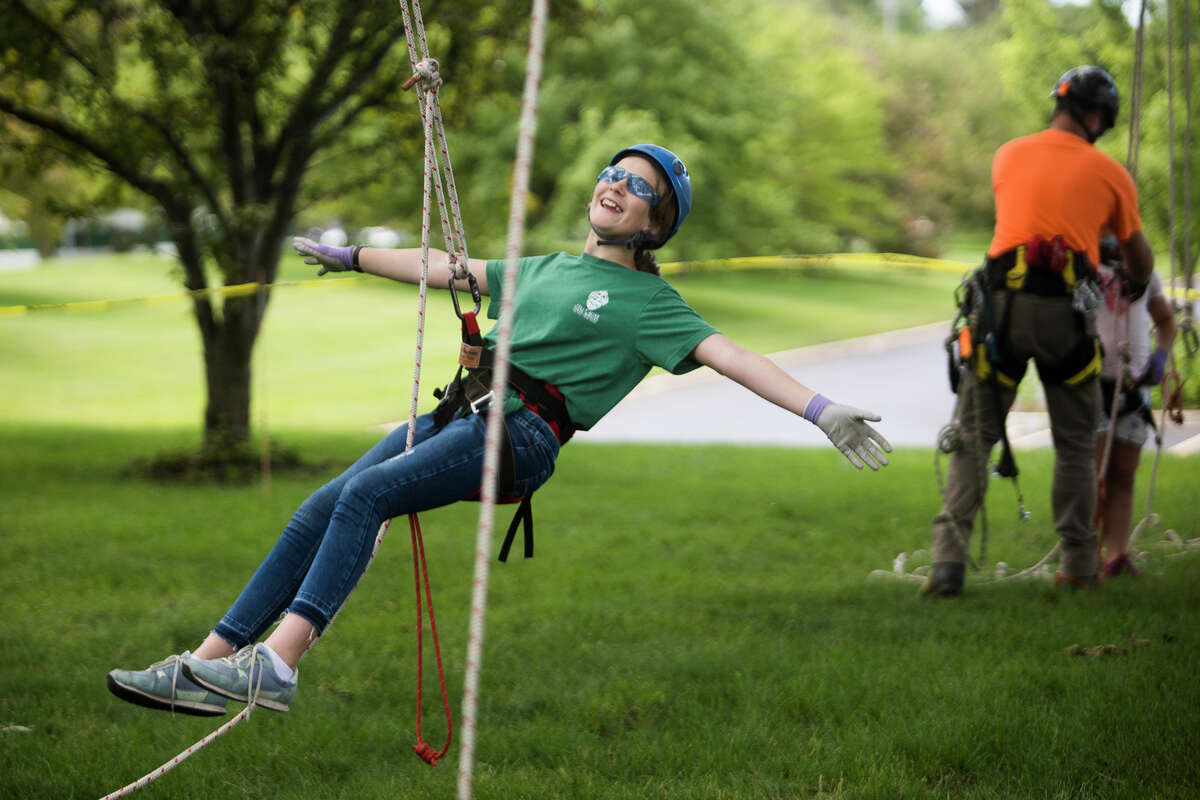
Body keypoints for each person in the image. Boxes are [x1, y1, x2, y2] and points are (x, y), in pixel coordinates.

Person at [107, 144, 891, 716]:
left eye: (638, 187)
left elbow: (736, 357)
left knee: (368, 497)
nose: (616, 186)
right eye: (612, 173)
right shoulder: (542, 268)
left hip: (523, 435)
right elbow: (441, 265)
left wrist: (820, 409)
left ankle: (278, 665)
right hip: (464, 410)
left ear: (655, 223)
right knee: (321, 506)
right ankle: (203, 668)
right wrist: (351, 256)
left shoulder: (652, 306)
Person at [922, 67, 1156, 597]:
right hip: (1065, 314)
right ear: (1096, 117)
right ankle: (1079, 566)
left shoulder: (1007, 155)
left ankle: (947, 564)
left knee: (974, 438)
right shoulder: (1111, 173)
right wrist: (1136, 277)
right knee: (1075, 444)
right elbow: (1138, 257)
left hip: (998, 310)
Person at [1093, 234, 1176, 578]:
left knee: (1124, 474)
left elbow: (1165, 320)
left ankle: (1117, 555)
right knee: (1093, 476)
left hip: (1134, 389)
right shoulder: (1085, 268)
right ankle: (1085, 555)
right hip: (1093, 387)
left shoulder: (1144, 271)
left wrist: (1161, 358)